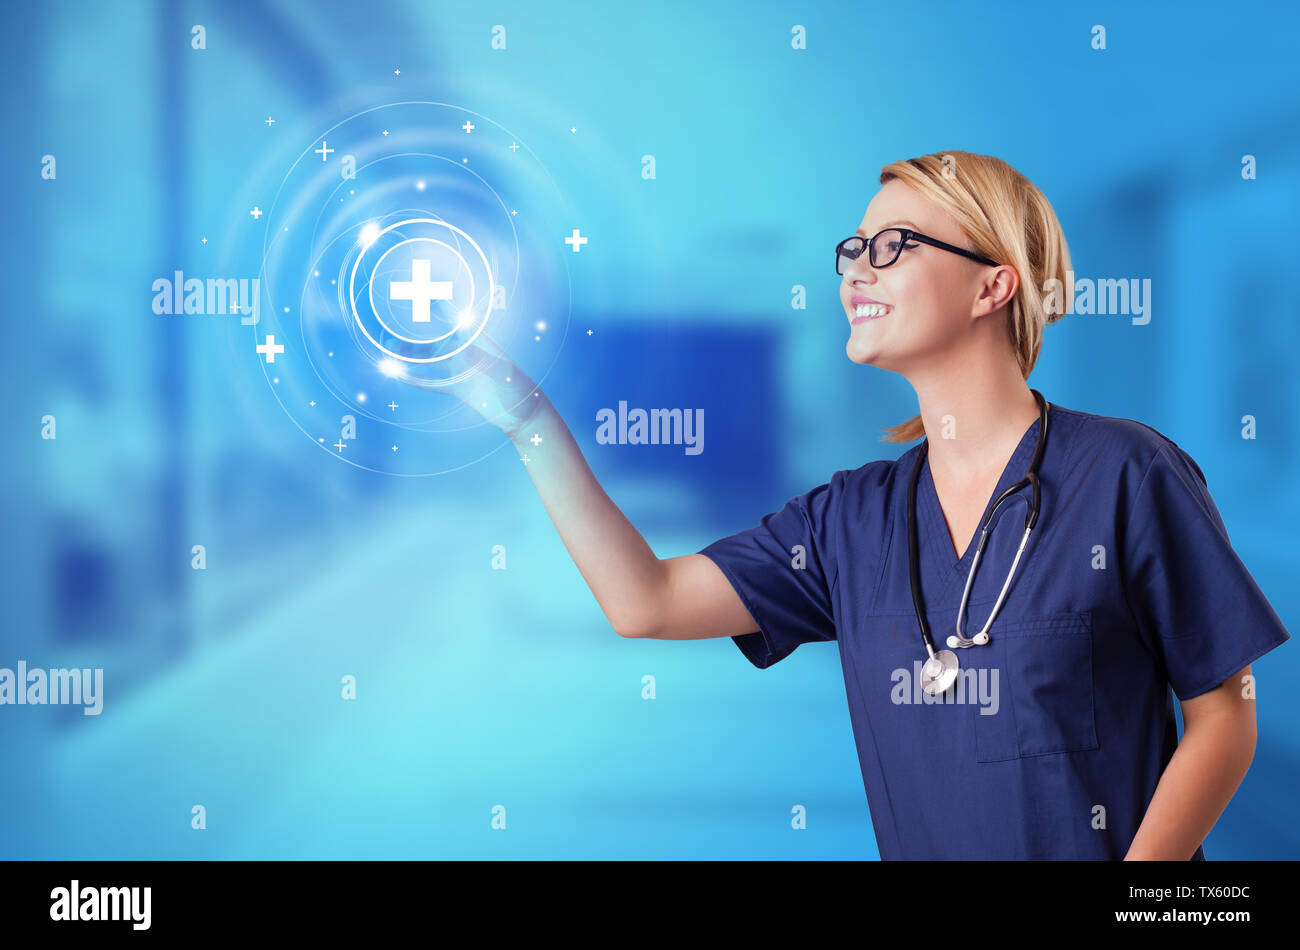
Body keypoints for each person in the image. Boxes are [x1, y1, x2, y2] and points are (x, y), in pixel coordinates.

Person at [419, 149, 1291, 860]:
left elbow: (1223, 717)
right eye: (854, 248)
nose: (854, 272)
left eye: (894, 246)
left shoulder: (1125, 474)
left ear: (994, 285)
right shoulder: (849, 521)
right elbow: (643, 601)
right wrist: (529, 421)